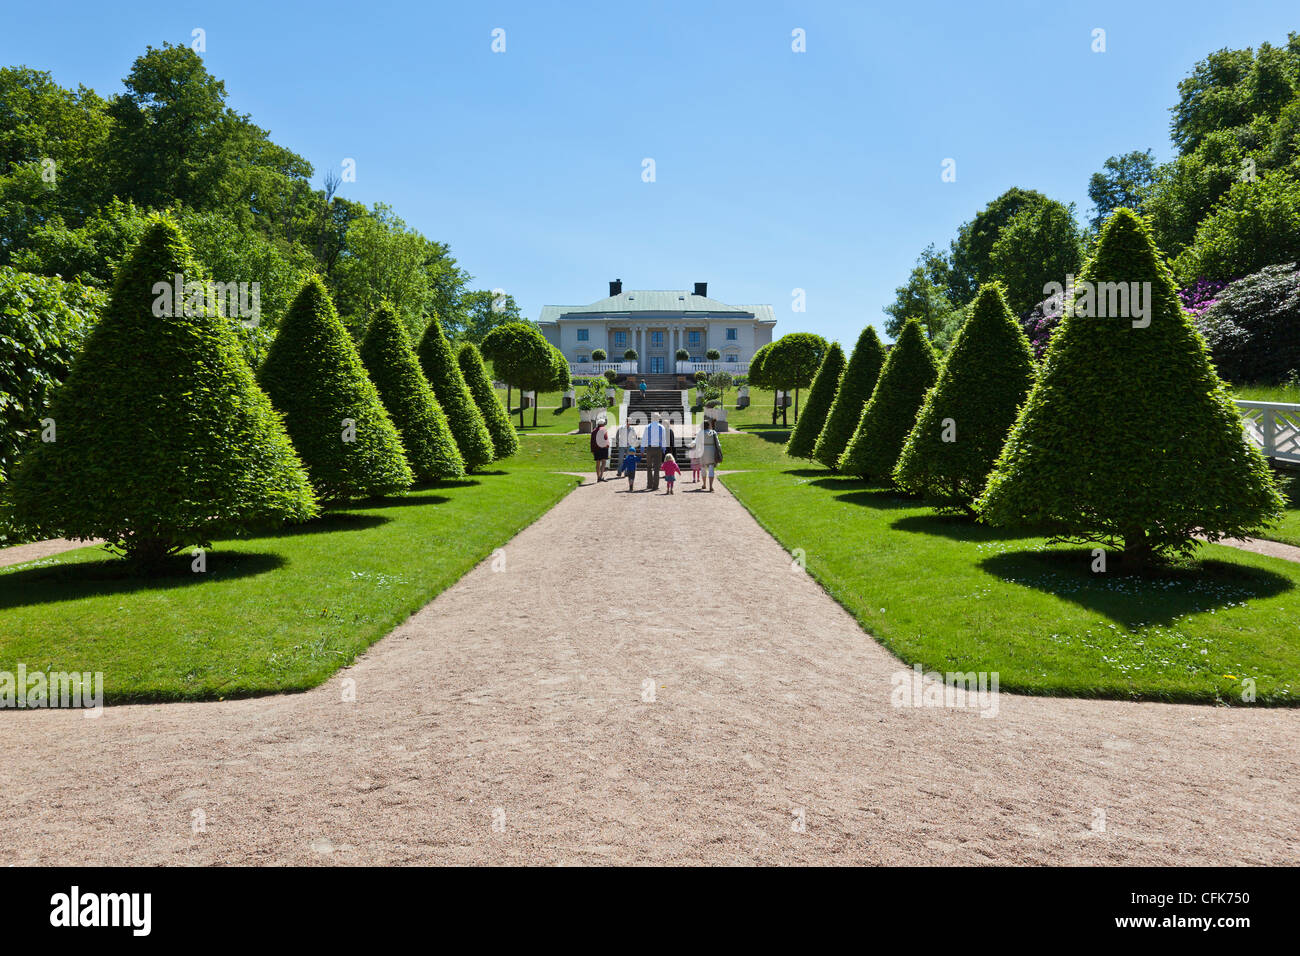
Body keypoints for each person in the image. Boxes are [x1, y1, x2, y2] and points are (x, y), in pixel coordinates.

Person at [642, 412, 669, 490]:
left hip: (649, 449)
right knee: (657, 468)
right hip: (658, 449)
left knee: (649, 467)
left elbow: (644, 438)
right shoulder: (661, 427)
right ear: (658, 419)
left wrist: (642, 448)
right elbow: (663, 440)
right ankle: (655, 486)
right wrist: (664, 449)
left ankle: (649, 484)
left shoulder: (648, 427)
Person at [696, 420, 722, 492]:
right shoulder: (713, 432)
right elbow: (718, 443)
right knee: (711, 468)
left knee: (703, 468)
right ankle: (711, 486)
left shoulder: (700, 433)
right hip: (711, 450)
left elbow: (697, 443)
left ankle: (704, 484)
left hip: (703, 450)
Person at [590, 416, 609, 482]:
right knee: (603, 462)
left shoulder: (594, 431)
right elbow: (606, 438)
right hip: (603, 448)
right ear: (603, 423)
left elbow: (592, 441)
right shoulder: (604, 429)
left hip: (596, 448)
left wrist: (592, 450)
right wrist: (607, 445)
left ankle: (598, 477)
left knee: (597, 463)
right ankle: (601, 476)